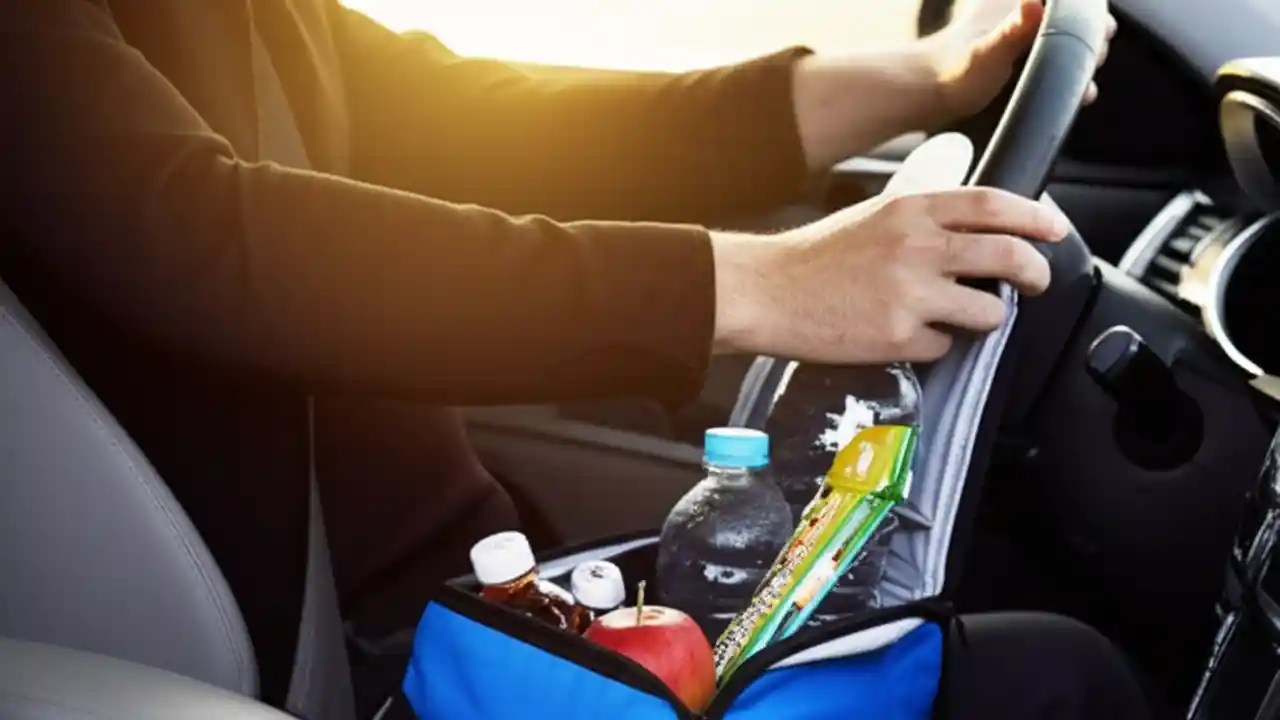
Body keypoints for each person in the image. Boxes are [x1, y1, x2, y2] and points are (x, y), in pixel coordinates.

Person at [0, 0, 1147, 717]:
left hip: (464, 597)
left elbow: (472, 115)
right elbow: (195, 232)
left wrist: (925, 81)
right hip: (362, 653)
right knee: (1058, 677)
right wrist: (754, 284)